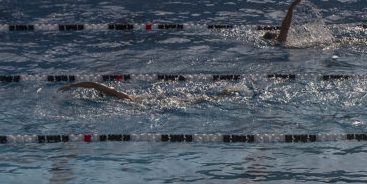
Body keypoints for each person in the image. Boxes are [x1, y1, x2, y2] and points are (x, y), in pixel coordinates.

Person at [58, 81, 242, 104]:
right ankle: (223, 95)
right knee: (196, 100)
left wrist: (72, 86)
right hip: (155, 100)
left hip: (155, 103)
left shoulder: (118, 95)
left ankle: (225, 95)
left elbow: (94, 84)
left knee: (196, 102)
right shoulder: (119, 97)